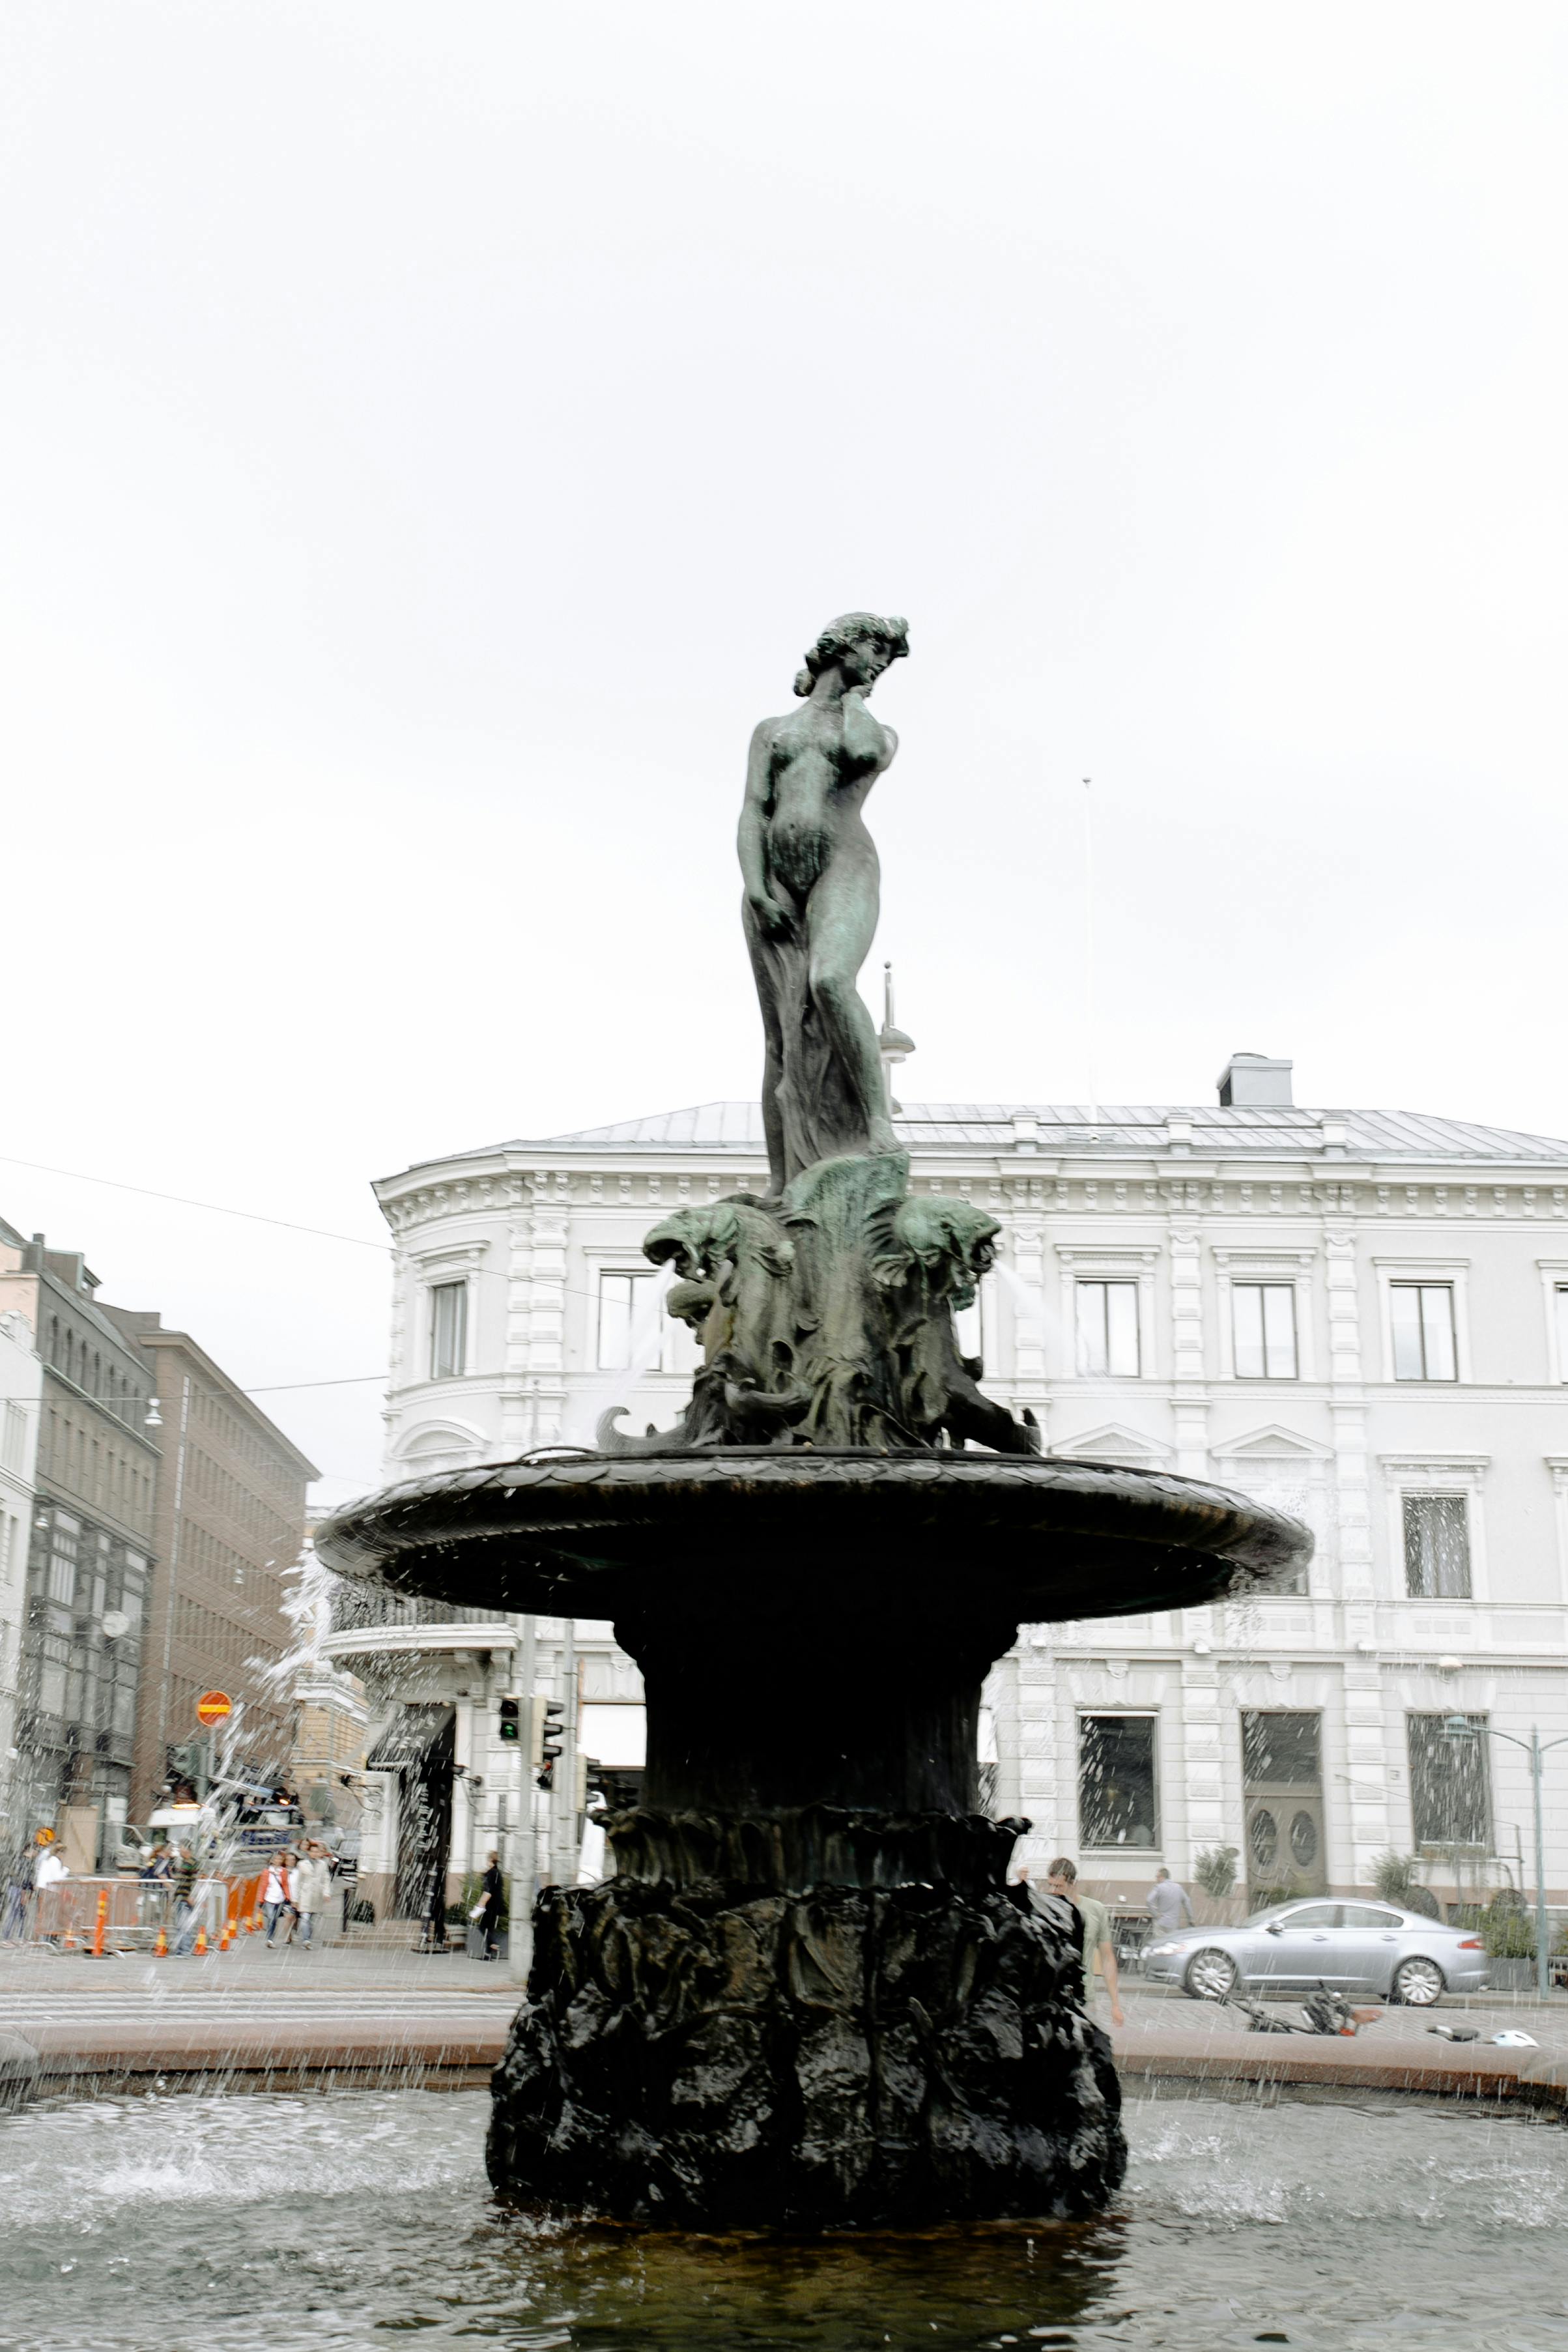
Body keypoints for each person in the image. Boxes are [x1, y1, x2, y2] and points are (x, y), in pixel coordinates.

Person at [739, 612, 910, 1198]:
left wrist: (856, 697)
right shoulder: (772, 731)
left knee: (831, 981)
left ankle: (877, 1122)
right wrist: (756, 886)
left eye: (887, 659)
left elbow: (864, 752)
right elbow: (753, 810)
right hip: (774, 880)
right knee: (779, 1039)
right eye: (874, 651)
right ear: (843, 645)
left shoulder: (876, 729)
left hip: (844, 862)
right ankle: (781, 1179)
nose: (880, 665)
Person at [292, 1843, 333, 1948]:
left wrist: (326, 1893)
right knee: (305, 1918)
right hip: (305, 1894)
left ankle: (307, 1938)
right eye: (313, 1852)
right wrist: (295, 1899)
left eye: (317, 1852)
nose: (315, 1854)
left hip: (317, 1895)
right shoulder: (302, 1864)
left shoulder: (322, 1864)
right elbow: (297, 1882)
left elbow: (326, 1879)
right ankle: (306, 1940)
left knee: (312, 1920)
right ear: (309, 1852)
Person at [474, 1850, 505, 1960]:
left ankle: (494, 1944)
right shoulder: (498, 1873)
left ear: (490, 1860)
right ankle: (488, 1954)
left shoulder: (490, 1873)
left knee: (483, 1927)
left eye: (488, 1860)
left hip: (490, 1905)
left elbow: (488, 1891)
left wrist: (480, 1905)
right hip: (497, 1905)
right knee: (490, 1929)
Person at [169, 1844, 199, 1955]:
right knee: (181, 1925)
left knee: (184, 1925)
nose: (180, 1852)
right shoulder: (187, 1862)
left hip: (185, 1898)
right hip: (183, 1897)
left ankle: (185, 1949)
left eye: (181, 1849)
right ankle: (181, 1949)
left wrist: (172, 1868)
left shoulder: (190, 1862)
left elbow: (181, 1875)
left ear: (187, 1850)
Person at [1148, 1867, 1195, 1935]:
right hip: (1174, 1923)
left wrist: (1156, 1914)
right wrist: (1191, 1919)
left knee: (1160, 1941)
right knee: (1172, 1941)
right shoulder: (1178, 1888)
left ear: (1162, 1877)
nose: (1156, 1879)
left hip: (1161, 1922)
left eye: (1157, 1877)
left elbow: (1149, 1901)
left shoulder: (1158, 1887)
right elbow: (1187, 1903)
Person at [261, 1852, 292, 1944]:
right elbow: (263, 1886)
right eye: (276, 1859)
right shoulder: (267, 1872)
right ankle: (270, 1938)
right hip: (269, 1898)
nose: (278, 1861)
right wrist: (260, 1899)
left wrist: (288, 1896)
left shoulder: (284, 1871)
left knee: (274, 1919)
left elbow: (285, 1884)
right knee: (271, 1918)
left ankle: (271, 1938)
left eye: (280, 1859)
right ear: (272, 1860)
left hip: (280, 1898)